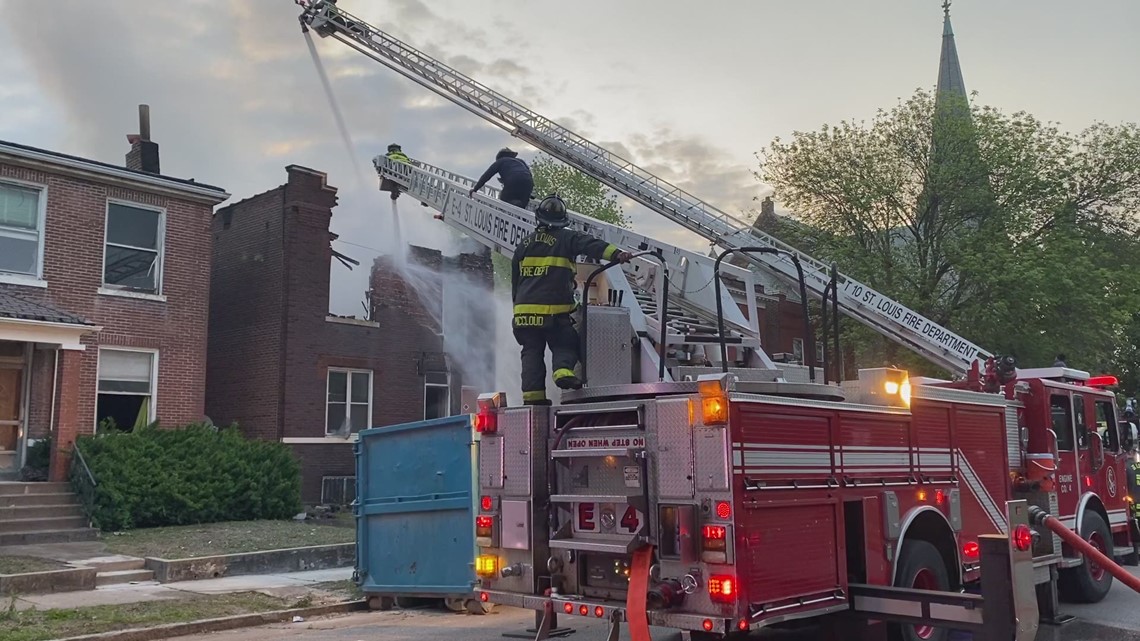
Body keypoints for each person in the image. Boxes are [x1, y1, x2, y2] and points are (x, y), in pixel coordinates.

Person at [511, 194, 632, 405]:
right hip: (552, 311)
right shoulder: (566, 238)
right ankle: (562, 372)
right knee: (565, 341)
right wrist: (616, 254)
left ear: (539, 218)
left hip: (523, 313)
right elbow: (591, 244)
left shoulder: (523, 244)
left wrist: (518, 307)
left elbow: (516, 280)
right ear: (562, 220)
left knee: (531, 352)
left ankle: (533, 400)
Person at [469, 147, 534, 209]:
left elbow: (486, 176)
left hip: (513, 181)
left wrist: (475, 189)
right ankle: (520, 207)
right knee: (523, 204)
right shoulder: (520, 161)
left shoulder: (500, 161)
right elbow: (529, 175)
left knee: (504, 199)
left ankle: (512, 205)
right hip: (528, 182)